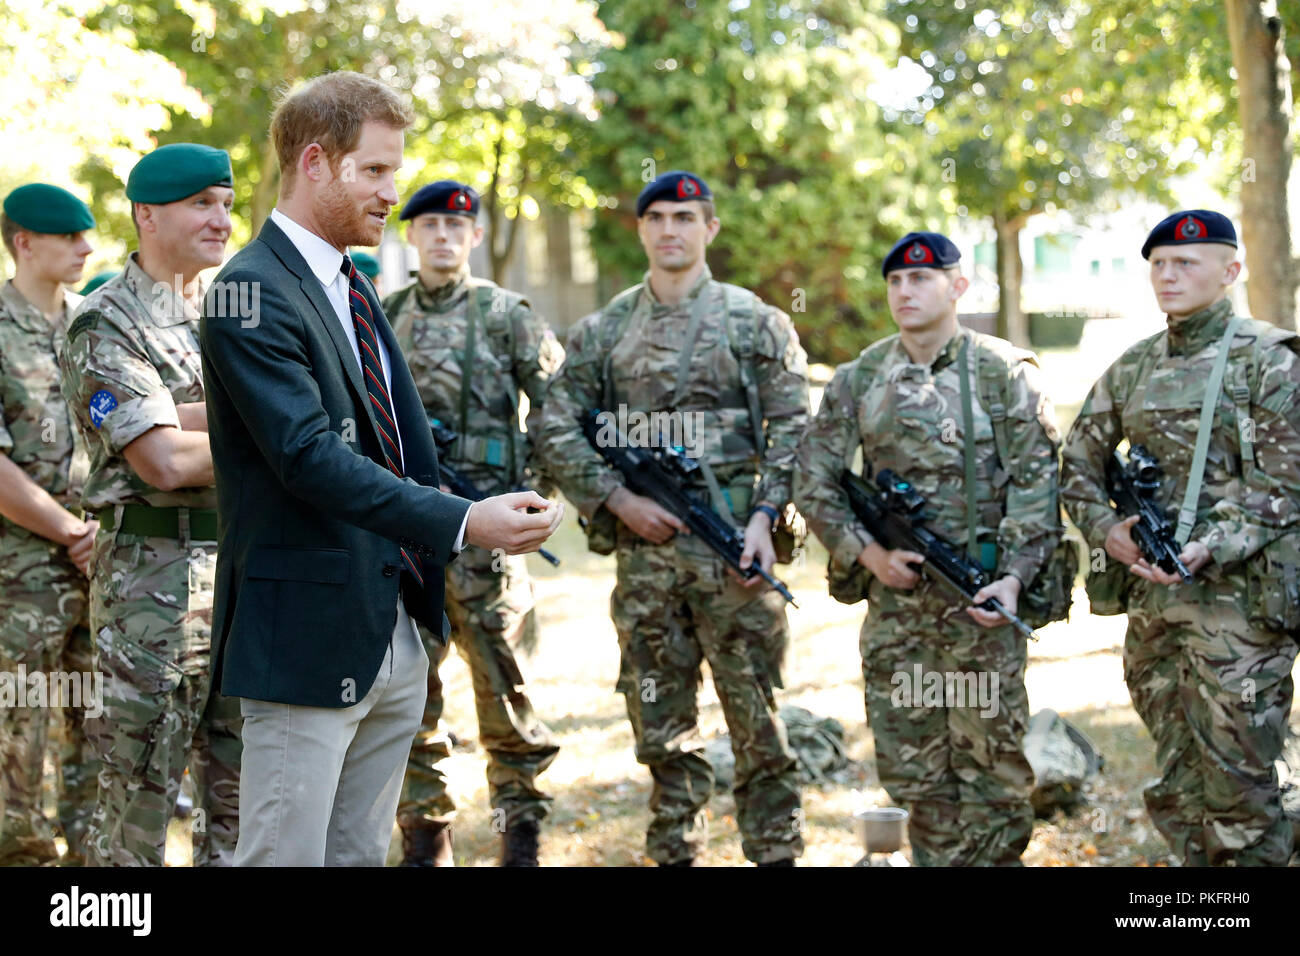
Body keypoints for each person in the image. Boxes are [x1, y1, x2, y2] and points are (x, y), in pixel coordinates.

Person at [199, 70, 562, 867]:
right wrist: (465, 522)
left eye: (395, 170)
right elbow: (308, 458)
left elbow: (395, 441)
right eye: (375, 170)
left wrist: (473, 504)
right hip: (308, 636)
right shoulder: (249, 292)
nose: (392, 190)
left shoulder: (352, 285)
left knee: (357, 856)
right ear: (317, 163)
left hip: (394, 622)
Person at [536, 170, 808, 866]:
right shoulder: (604, 330)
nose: (669, 230)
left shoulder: (757, 323)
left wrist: (767, 517)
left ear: (710, 228)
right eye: (656, 217)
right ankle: (676, 853)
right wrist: (616, 497)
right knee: (662, 733)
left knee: (760, 730)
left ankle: (775, 854)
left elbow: (794, 430)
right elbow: (554, 419)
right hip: (648, 567)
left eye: (684, 217)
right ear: (641, 230)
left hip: (736, 561)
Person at [796, 231, 1062, 866]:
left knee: (994, 778)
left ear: (958, 287)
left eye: (922, 278)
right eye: (895, 281)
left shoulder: (1003, 373)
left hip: (983, 609)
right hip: (899, 614)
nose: (906, 291)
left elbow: (1038, 483)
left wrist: (1016, 578)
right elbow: (813, 476)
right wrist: (868, 554)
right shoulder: (861, 377)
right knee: (919, 777)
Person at [1061, 210, 1300, 866]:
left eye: (1186, 263)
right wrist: (1106, 529)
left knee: (1244, 795)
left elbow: (1288, 483)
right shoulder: (1134, 367)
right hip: (1156, 616)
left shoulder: (1269, 360)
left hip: (1242, 617)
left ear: (1231, 271)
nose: (1168, 274)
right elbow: (1077, 461)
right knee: (1178, 785)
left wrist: (1210, 544)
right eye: (1159, 263)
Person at [59, 144, 243, 866]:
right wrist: (273, 441)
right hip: (150, 593)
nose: (221, 219)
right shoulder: (104, 323)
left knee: (240, 802)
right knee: (136, 812)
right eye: (202, 203)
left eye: (227, 204)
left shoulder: (232, 311)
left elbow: (209, 426)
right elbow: (163, 460)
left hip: (237, 577)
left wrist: (197, 418)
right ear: (147, 214)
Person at [385, 180, 562, 867]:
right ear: (412, 236)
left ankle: (520, 831)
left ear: (476, 238)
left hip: (489, 542)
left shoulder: (506, 315)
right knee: (410, 694)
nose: (442, 238)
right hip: (406, 540)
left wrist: (535, 499)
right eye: (428, 226)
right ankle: (426, 838)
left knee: (504, 687)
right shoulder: (383, 313)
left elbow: (559, 405)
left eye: (456, 228)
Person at [0, 183, 99, 866]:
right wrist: (71, 530)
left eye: (88, 235)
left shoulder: (97, 324)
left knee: (99, 730)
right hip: (21, 580)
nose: (86, 248)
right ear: (23, 242)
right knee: (17, 743)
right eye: (69, 237)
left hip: (106, 570)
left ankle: (93, 873)